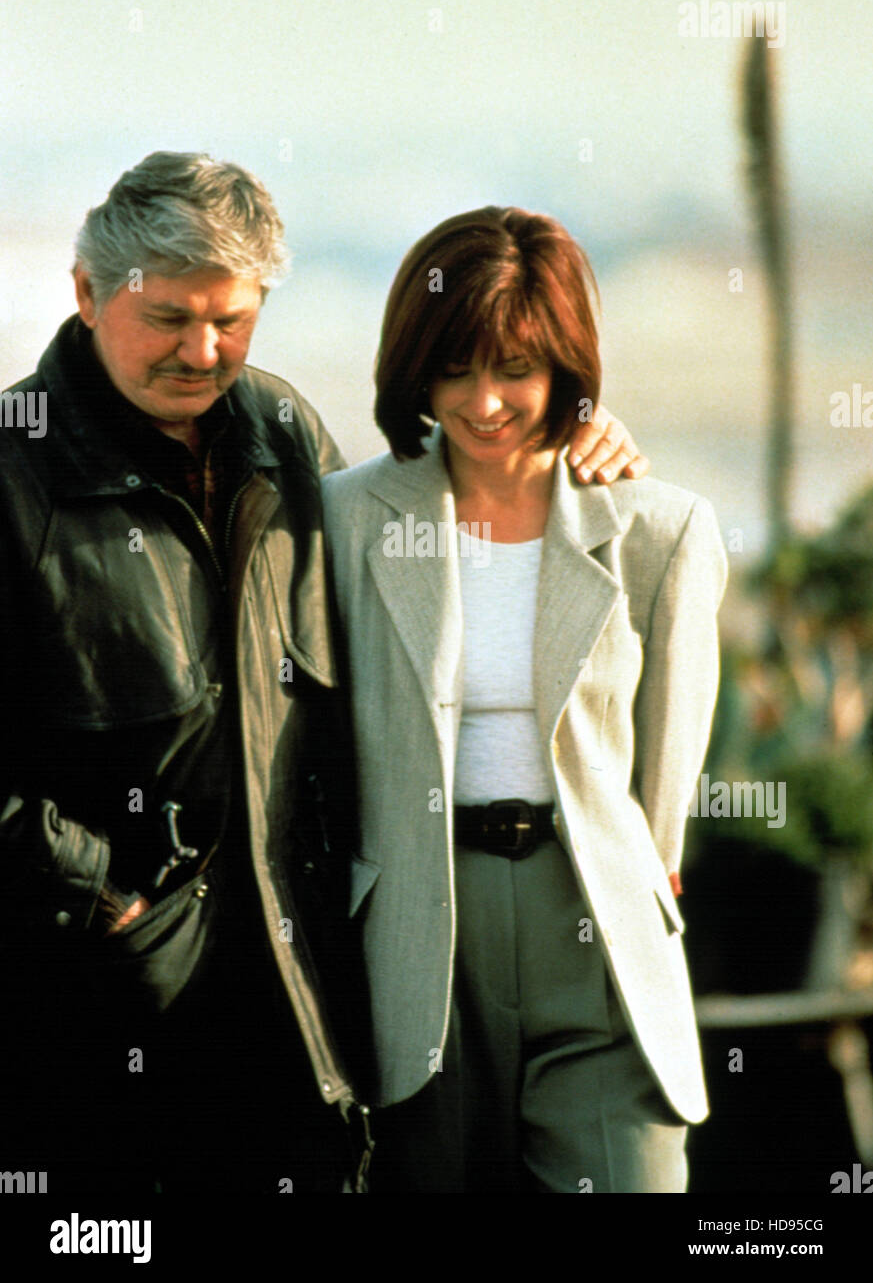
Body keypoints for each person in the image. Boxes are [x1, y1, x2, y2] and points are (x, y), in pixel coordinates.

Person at [0, 155, 644, 1196]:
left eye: (232, 319)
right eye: (168, 317)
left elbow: (440, 547)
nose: (203, 352)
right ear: (84, 290)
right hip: (96, 1029)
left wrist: (575, 442)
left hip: (304, 1014)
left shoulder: (286, 433)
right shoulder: (12, 473)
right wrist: (108, 899)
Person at [322, 206, 729, 1193]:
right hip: (417, 936)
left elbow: (665, 788)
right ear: (415, 367)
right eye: (456, 367)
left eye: (516, 368)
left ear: (567, 366)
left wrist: (639, 883)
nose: (485, 401)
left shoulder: (659, 531)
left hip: (592, 932)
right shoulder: (345, 519)